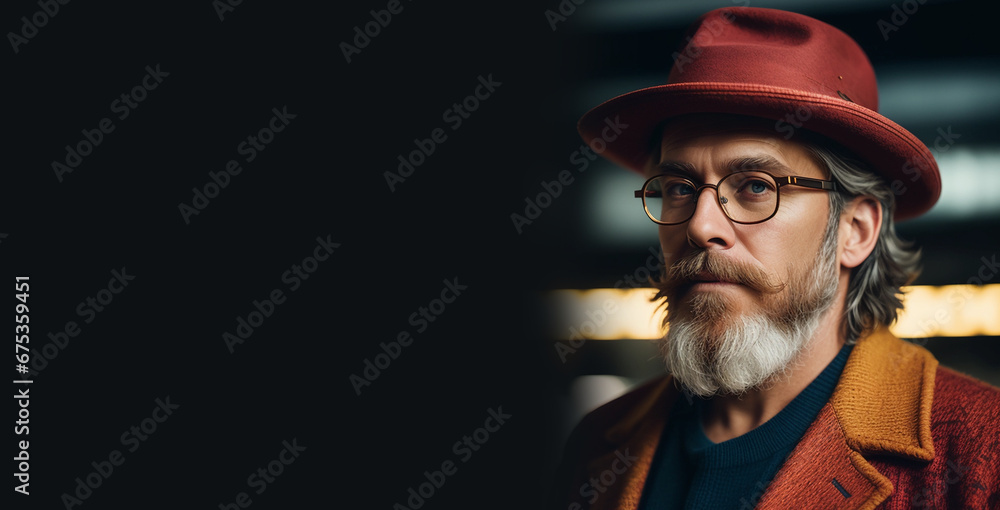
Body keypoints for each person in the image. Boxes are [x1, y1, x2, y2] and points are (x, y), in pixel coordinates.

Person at [552, 7, 1000, 510]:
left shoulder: (982, 450)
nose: (700, 226)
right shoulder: (597, 442)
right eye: (679, 187)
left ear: (856, 230)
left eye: (756, 187)